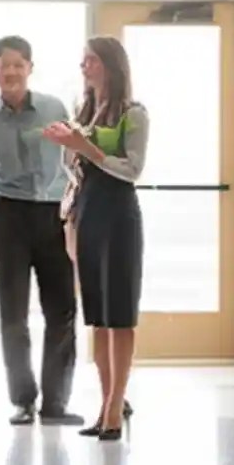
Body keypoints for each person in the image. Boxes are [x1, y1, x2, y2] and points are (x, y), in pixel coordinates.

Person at [42, 36, 149, 442]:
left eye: (91, 61)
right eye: (83, 61)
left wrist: (84, 146)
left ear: (111, 66)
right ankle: (107, 403)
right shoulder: (84, 112)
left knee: (120, 314)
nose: (84, 67)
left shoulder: (134, 114)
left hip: (119, 216)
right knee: (98, 317)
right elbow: (76, 171)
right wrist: (69, 149)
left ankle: (115, 408)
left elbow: (132, 168)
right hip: (86, 214)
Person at [0, 36, 83, 426]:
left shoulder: (54, 107)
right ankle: (23, 400)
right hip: (9, 216)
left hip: (53, 214)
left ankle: (56, 402)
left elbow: (73, 151)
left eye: (18, 65)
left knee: (62, 310)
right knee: (13, 313)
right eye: (3, 65)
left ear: (30, 68)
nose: (11, 72)